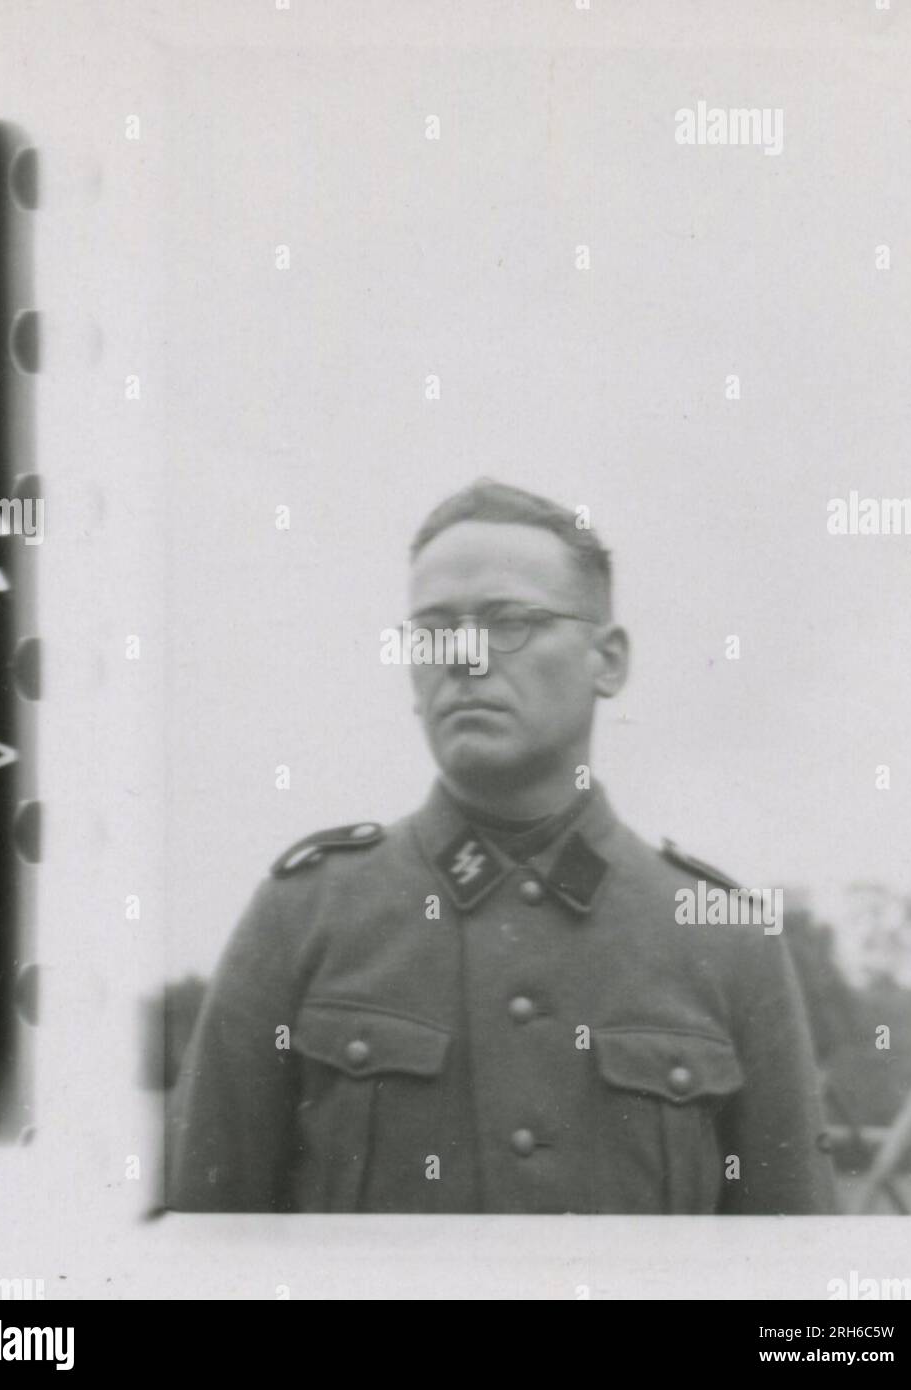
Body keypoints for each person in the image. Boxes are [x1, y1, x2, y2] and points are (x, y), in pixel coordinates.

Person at [167, 479, 836, 1214]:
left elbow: (795, 1265)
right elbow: (202, 1240)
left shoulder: (726, 939)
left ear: (608, 660)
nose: (463, 657)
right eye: (432, 631)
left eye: (509, 622)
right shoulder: (302, 916)